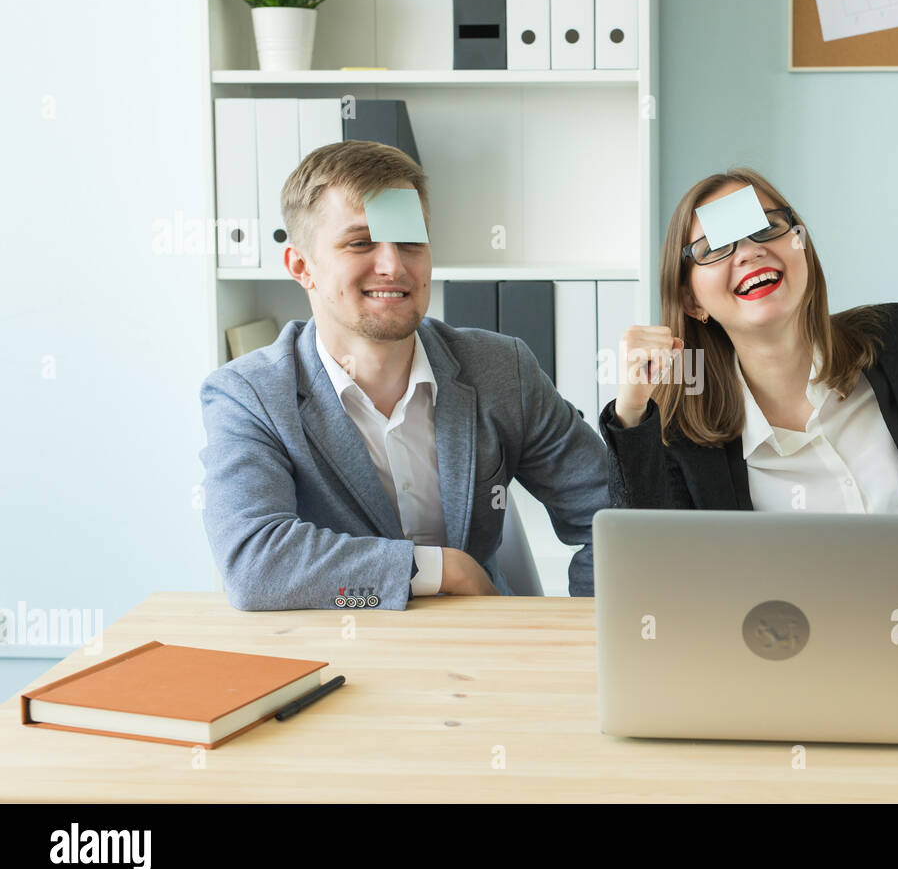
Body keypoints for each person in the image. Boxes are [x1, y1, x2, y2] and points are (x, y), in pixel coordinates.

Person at [600, 166, 898, 600]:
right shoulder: (680, 431)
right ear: (691, 301)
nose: (749, 251)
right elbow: (646, 577)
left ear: (801, 243)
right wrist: (632, 413)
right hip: (774, 669)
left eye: (766, 227)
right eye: (716, 247)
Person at [199, 140, 608, 610]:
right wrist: (442, 569)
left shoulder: (502, 369)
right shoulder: (248, 395)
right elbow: (255, 566)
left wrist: (591, 634)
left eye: (411, 242)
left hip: (480, 656)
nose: (393, 266)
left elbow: (612, 519)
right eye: (360, 243)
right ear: (301, 266)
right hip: (335, 663)